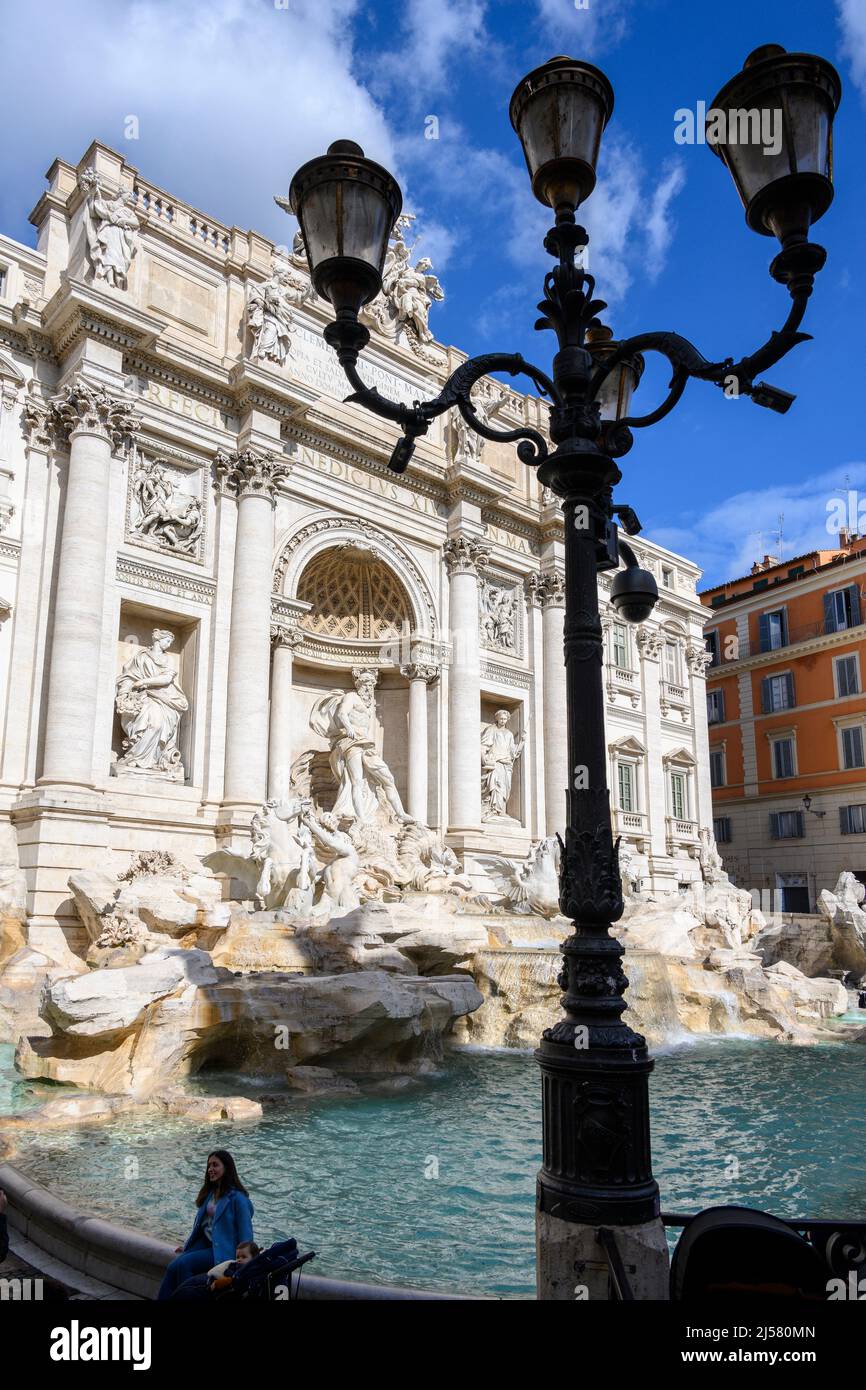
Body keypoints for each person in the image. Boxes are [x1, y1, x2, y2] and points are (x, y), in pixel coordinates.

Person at [157, 1151, 254, 1300]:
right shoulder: (211, 1192)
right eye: (209, 1165)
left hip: (222, 1250)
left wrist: (245, 1260)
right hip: (204, 1243)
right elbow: (202, 1226)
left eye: (215, 1165)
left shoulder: (238, 1199)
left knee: (184, 1264)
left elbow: (246, 1235)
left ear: (227, 1168)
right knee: (172, 1267)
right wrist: (188, 1245)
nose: (210, 1169)